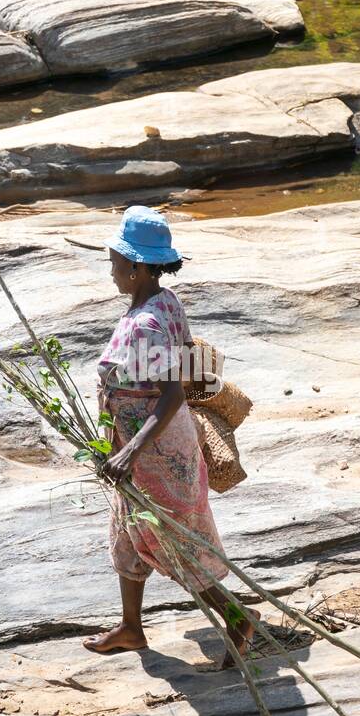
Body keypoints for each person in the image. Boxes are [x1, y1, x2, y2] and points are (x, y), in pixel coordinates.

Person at [83, 206, 254, 664]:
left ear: (138, 267)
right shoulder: (162, 301)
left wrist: (130, 452)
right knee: (127, 531)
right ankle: (131, 627)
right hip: (142, 445)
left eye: (116, 262)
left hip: (154, 452)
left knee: (171, 539)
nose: (113, 270)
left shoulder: (147, 324)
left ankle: (237, 618)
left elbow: (172, 393)